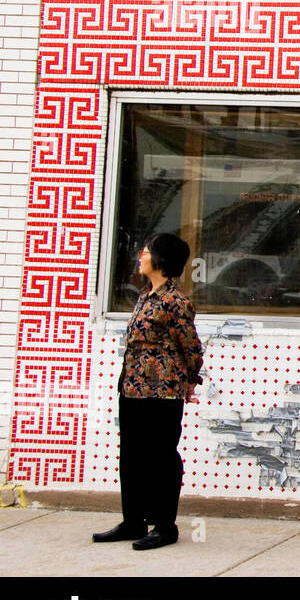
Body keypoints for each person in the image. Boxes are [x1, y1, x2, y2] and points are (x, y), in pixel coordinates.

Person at [93, 233, 204, 551]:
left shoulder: (176, 302)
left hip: (162, 393)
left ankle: (165, 526)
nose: (141, 255)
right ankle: (133, 521)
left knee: (161, 458)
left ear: (162, 261)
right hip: (132, 389)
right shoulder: (146, 296)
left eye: (147, 251)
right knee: (131, 457)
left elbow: (192, 348)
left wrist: (189, 381)